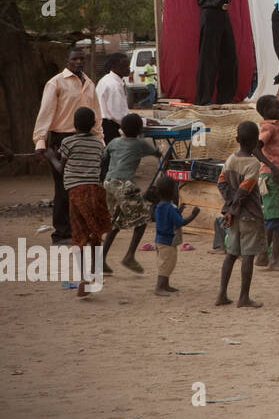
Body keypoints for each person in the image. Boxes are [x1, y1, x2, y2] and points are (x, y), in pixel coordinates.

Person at [33, 47, 102, 245]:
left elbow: (97, 115)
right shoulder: (55, 83)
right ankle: (61, 233)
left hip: (86, 139)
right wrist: (40, 142)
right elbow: (45, 113)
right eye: (75, 59)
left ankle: (79, 229)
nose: (79, 62)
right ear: (67, 61)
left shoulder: (89, 83)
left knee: (83, 186)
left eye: (82, 59)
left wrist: (100, 140)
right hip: (62, 139)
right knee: (63, 187)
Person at [43, 107, 109, 297]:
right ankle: (96, 273)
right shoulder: (98, 144)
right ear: (94, 125)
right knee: (95, 235)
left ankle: (83, 278)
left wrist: (50, 155)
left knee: (79, 237)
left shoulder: (68, 141)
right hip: (96, 192)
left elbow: (61, 168)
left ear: (74, 124)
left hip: (77, 193)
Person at [101, 113, 162, 274]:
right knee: (142, 220)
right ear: (140, 130)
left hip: (109, 183)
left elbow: (105, 156)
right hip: (125, 184)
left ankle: (101, 259)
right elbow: (157, 153)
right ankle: (129, 255)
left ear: (121, 129)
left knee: (114, 223)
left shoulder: (114, 142)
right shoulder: (140, 144)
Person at [215, 121, 267, 308]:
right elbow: (244, 192)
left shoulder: (230, 159)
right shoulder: (254, 163)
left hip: (234, 215)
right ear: (256, 142)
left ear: (237, 140)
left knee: (231, 254)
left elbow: (221, 183)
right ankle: (243, 297)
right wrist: (233, 207)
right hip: (249, 215)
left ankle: (222, 294)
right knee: (248, 256)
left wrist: (229, 208)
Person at [251, 95, 279, 271]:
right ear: (264, 112)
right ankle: (273, 258)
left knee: (275, 218)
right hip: (272, 177)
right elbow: (256, 147)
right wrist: (273, 168)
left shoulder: (276, 124)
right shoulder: (269, 127)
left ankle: (264, 255)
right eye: (275, 108)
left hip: (275, 175)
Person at [152, 176, 199, 296]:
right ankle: (159, 287)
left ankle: (165, 285)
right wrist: (193, 215)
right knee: (167, 264)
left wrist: (178, 210)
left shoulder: (160, 206)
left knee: (166, 263)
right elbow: (179, 222)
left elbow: (167, 219)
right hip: (168, 241)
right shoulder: (169, 207)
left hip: (160, 240)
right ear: (172, 191)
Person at [96, 53, 131, 143]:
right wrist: (142, 122)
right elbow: (118, 115)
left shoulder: (108, 80)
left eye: (128, 66)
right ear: (114, 67)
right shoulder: (114, 85)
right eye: (125, 66)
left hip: (106, 124)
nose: (129, 69)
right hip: (110, 128)